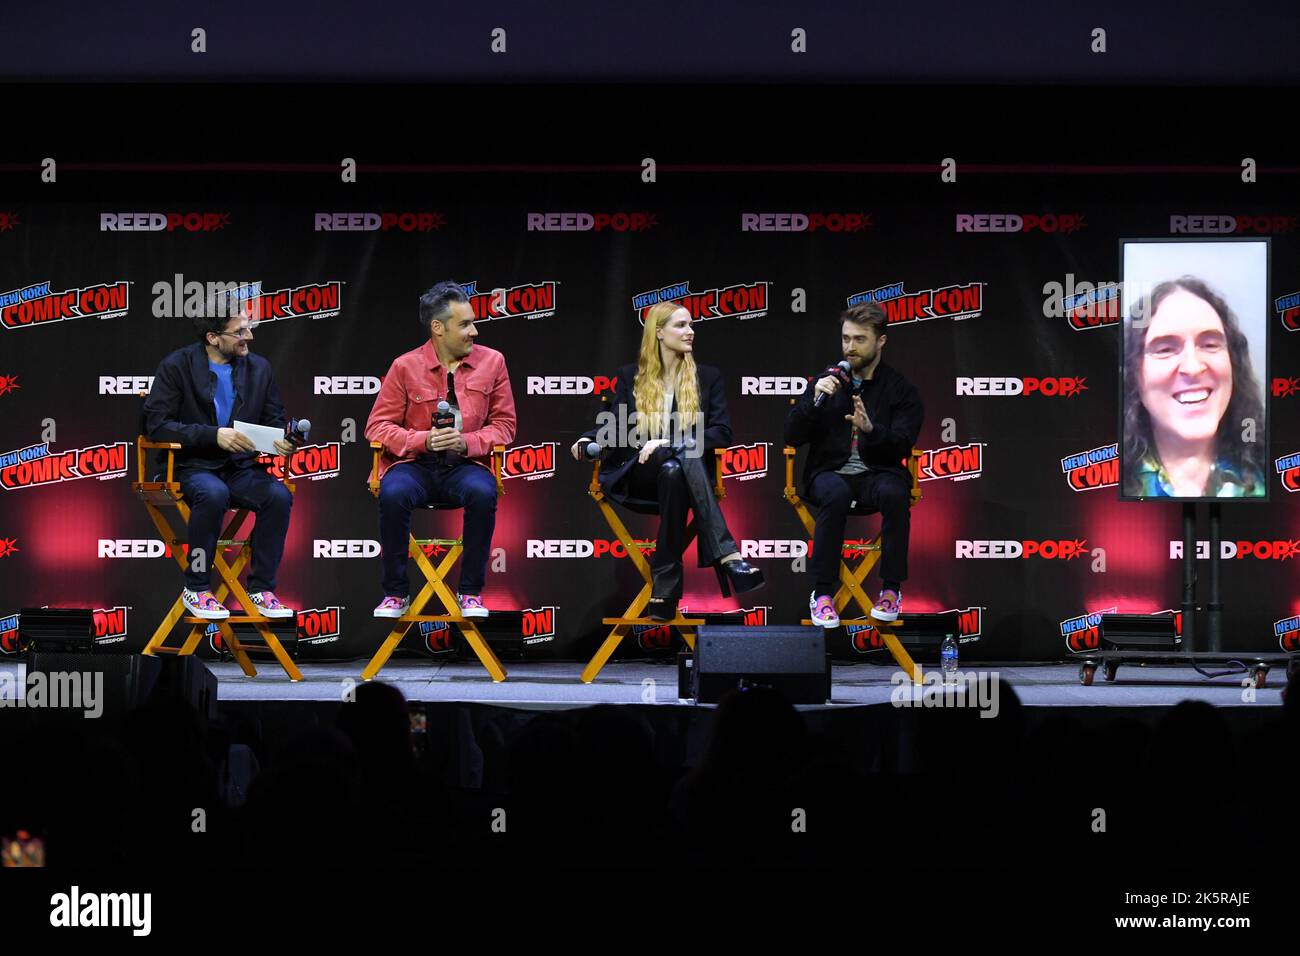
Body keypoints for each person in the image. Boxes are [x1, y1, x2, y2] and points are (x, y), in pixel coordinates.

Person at [571, 301, 763, 621]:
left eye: (691, 326)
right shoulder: (630, 376)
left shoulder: (707, 377)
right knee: (682, 453)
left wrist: (669, 444)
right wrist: (589, 438)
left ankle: (666, 588)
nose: (690, 332)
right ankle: (728, 556)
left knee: (676, 465)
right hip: (639, 474)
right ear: (658, 333)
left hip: (680, 479)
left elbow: (722, 433)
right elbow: (617, 428)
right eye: (681, 325)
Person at [366, 282, 517, 619]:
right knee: (393, 493)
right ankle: (395, 594)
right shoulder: (405, 366)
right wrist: (424, 440)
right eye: (464, 324)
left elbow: (505, 425)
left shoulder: (493, 362)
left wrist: (468, 442)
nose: (474, 331)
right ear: (438, 328)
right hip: (413, 464)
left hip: (466, 466)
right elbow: (376, 427)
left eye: (472, 322)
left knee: (482, 492)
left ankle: (470, 593)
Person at [142, 298, 297, 620]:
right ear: (213, 337)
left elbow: (274, 418)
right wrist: (212, 435)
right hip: (189, 465)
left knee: (278, 496)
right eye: (240, 331)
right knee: (213, 494)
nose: (249, 337)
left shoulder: (259, 368)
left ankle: (261, 588)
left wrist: (283, 439)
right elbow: (157, 425)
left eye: (249, 328)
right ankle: (197, 588)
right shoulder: (177, 365)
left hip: (238, 466)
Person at [784, 301, 923, 627]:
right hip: (829, 472)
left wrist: (872, 430)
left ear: (881, 341)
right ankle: (822, 594)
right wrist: (812, 403)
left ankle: (891, 590)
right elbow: (791, 436)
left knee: (894, 493)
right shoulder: (826, 382)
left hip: (880, 472)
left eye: (859, 339)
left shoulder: (901, 389)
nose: (850, 347)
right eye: (846, 338)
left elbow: (904, 441)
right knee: (834, 493)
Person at [1122, 276, 1266, 498]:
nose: (1193, 367)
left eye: (1209, 345)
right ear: (1135, 374)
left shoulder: (1272, 468)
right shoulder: (1104, 483)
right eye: (1165, 349)